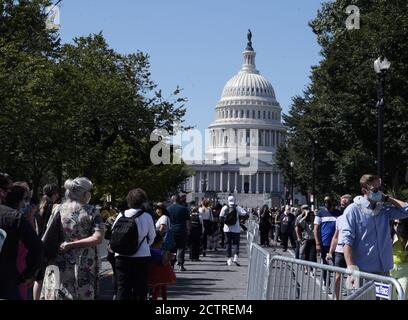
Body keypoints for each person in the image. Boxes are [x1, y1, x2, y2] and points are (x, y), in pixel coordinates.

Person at [41, 177, 105, 300]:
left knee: (61, 293)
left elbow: (48, 234)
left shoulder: (57, 209)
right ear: (85, 193)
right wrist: (72, 245)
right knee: (82, 294)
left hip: (60, 259)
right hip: (84, 262)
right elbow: (98, 238)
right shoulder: (92, 211)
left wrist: (67, 245)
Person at [342, 174, 408, 277]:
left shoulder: (383, 209)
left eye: (379, 188)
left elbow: (406, 210)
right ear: (364, 191)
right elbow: (347, 241)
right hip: (362, 271)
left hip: (384, 269)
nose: (379, 192)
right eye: (375, 190)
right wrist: (351, 267)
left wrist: (387, 198)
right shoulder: (353, 210)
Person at [0, 174, 43, 300]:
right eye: (8, 190)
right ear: (2, 192)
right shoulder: (13, 217)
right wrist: (28, 275)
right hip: (7, 285)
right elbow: (37, 247)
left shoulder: (14, 216)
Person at [112, 188, 156, 300]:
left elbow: (114, 232)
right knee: (140, 288)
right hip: (141, 256)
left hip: (121, 256)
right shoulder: (147, 217)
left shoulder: (121, 215)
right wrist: (144, 245)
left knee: (122, 288)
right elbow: (152, 237)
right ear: (143, 202)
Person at [33, 183, 60, 300]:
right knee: (51, 276)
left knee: (39, 278)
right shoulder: (55, 208)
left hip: (38, 245)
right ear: (54, 194)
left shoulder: (38, 207)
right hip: (50, 245)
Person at [326, 194, 352, 299]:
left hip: (352, 251)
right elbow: (335, 237)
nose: (342, 201)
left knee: (352, 276)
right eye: (341, 200)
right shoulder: (339, 219)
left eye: (344, 200)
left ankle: (351, 296)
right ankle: (338, 298)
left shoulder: (356, 217)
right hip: (339, 252)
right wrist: (330, 252)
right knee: (337, 276)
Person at [314, 195, 341, 286]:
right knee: (325, 264)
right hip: (324, 244)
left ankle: (339, 286)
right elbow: (316, 229)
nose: (327, 203)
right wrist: (317, 243)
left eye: (328, 201)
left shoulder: (339, 213)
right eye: (325, 202)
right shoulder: (320, 213)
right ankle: (326, 282)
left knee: (337, 265)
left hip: (337, 244)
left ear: (333, 202)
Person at [220, 196, 247, 266]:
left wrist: (225, 222)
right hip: (236, 228)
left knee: (228, 244)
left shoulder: (225, 207)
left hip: (227, 229)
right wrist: (242, 220)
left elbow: (220, 217)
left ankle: (229, 260)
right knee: (236, 243)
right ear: (234, 200)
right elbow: (246, 214)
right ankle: (235, 258)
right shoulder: (237, 208)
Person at [148, 232, 176, 300]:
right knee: (161, 289)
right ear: (160, 242)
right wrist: (170, 258)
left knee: (156, 288)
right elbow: (164, 263)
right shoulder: (162, 250)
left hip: (152, 271)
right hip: (162, 273)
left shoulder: (149, 249)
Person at [167, 194, 190, 271]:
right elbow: (187, 221)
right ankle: (181, 264)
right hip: (181, 230)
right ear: (178, 200)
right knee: (181, 248)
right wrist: (188, 229)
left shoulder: (168, 209)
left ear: (172, 200)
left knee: (172, 248)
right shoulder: (184, 209)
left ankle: (172, 264)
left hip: (171, 230)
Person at [390, 219, 408, 299]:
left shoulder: (406, 236)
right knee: (391, 296)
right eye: (395, 223)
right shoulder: (389, 235)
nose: (397, 226)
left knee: (403, 295)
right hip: (390, 269)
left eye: (400, 224)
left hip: (404, 270)